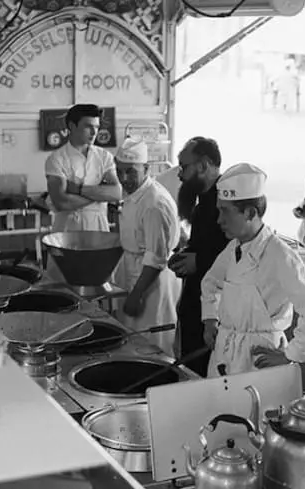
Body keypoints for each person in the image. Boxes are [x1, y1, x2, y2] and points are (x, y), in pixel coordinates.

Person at [200, 163, 305, 377]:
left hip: (260, 359)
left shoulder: (280, 255)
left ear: (250, 213)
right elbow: (210, 282)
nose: (219, 220)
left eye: (225, 212)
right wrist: (210, 319)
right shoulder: (234, 247)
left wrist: (291, 354)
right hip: (225, 355)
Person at [167, 137, 230, 376]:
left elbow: (236, 252)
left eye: (184, 167)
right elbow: (208, 244)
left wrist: (199, 261)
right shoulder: (204, 200)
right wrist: (186, 255)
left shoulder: (224, 201)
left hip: (216, 310)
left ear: (203, 165)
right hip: (196, 300)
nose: (180, 175)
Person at [113, 138, 181, 357]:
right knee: (133, 341)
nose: (124, 179)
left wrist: (137, 294)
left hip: (151, 283)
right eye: (119, 171)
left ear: (146, 168)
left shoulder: (153, 203)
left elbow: (155, 258)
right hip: (134, 271)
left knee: (152, 345)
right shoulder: (135, 194)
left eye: (131, 172)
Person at [44, 104, 122, 232]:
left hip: (98, 229)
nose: (94, 132)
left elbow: (117, 193)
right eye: (88, 126)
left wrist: (77, 189)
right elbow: (62, 203)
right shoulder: (56, 159)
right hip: (67, 230)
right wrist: (100, 194)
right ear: (72, 126)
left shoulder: (104, 157)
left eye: (96, 127)